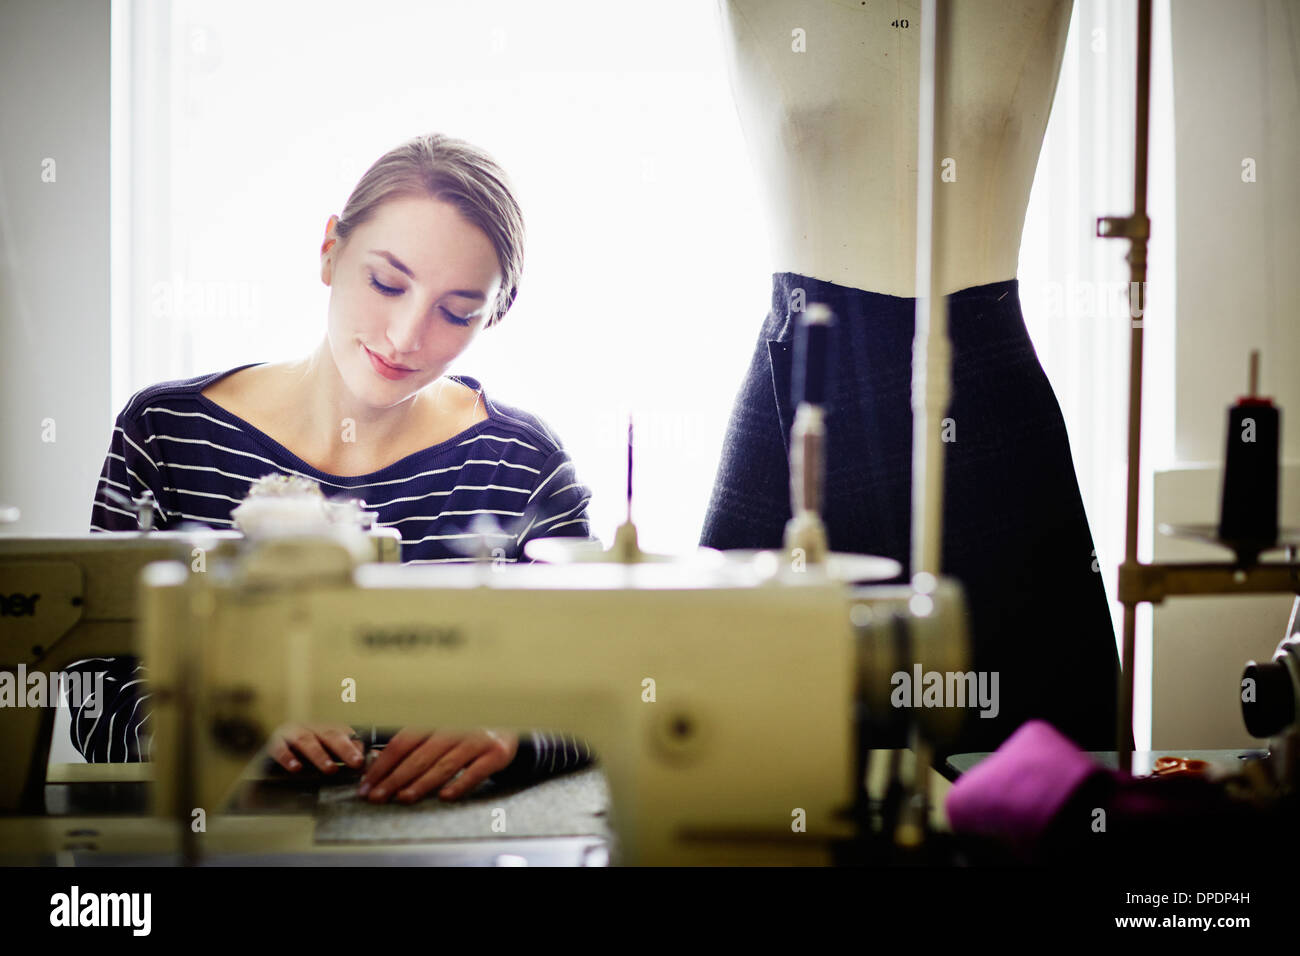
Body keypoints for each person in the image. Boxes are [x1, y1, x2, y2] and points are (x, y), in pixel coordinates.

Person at [74, 133, 595, 801]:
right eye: (385, 282)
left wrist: (522, 733)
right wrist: (214, 722)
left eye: (456, 312)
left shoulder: (524, 467)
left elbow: (612, 686)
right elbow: (95, 693)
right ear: (329, 252)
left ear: (492, 314)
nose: (407, 336)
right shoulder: (167, 434)